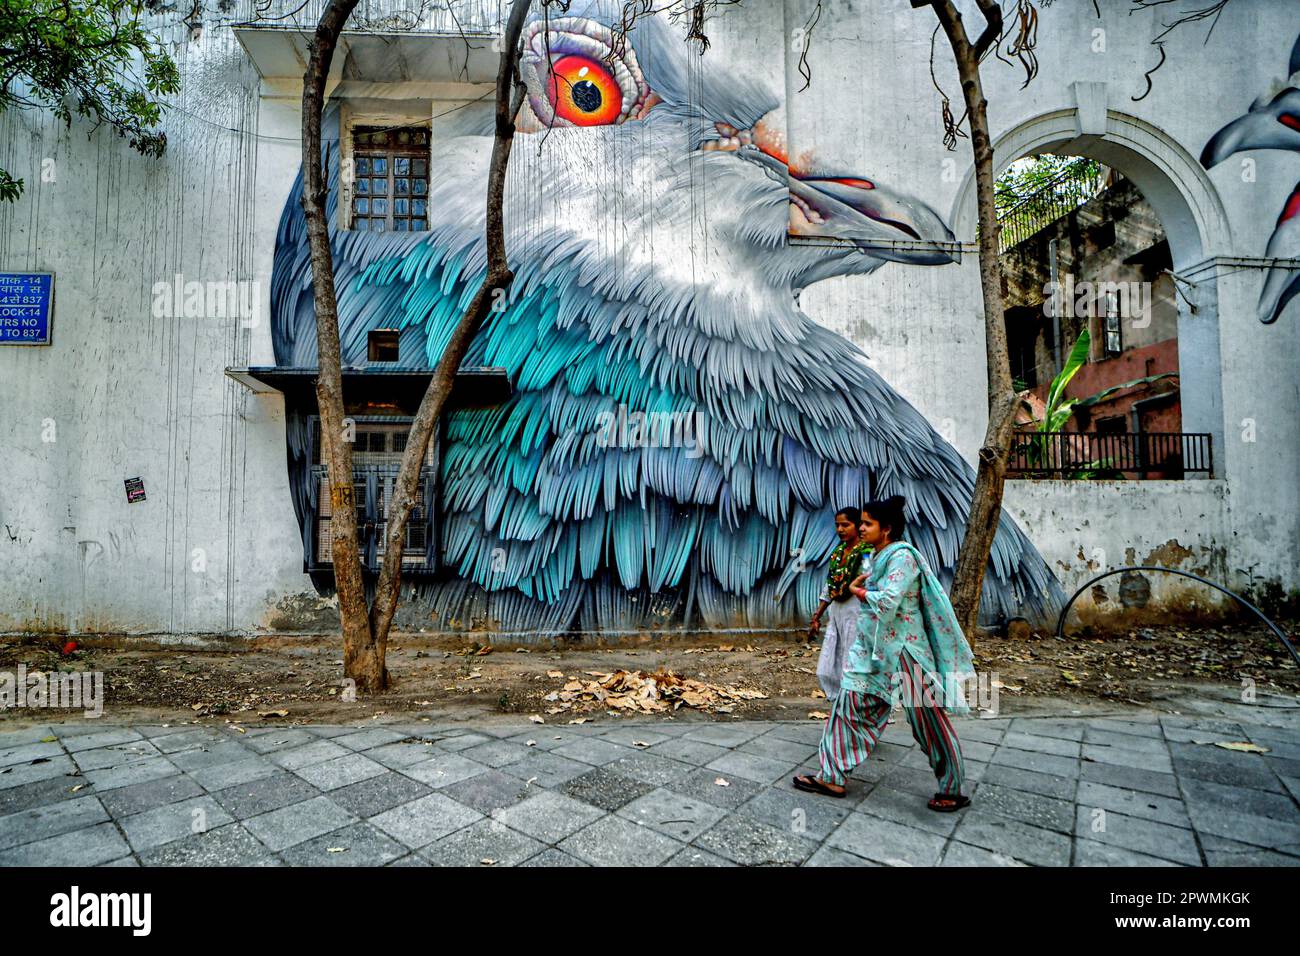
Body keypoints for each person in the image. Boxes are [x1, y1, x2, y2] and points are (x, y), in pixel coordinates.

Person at [793, 495, 974, 812]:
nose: (860, 528)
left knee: (927, 720)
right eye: (860, 523)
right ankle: (832, 776)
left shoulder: (903, 557)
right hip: (875, 652)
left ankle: (953, 788)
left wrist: (858, 591)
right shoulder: (877, 556)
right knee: (848, 706)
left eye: (866, 523)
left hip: (905, 651)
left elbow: (889, 601)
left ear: (886, 529)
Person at [808, 507, 871, 700]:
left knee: (854, 655)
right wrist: (817, 616)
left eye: (846, 525)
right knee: (831, 659)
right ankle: (840, 698)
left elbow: (869, 580)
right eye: (837, 525)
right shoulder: (838, 554)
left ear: (857, 526)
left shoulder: (866, 553)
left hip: (856, 609)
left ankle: (859, 699)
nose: (841, 529)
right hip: (837, 611)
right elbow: (830, 586)